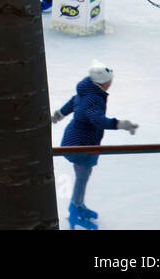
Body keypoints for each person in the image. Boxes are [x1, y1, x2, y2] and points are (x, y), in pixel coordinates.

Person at [52, 60, 139, 229]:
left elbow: (72, 102)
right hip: (81, 144)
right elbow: (98, 120)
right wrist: (122, 124)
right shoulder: (93, 98)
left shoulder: (87, 90)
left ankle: (78, 205)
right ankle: (75, 208)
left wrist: (58, 115)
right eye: (110, 81)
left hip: (78, 140)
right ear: (104, 83)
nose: (111, 83)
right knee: (82, 175)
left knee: (83, 175)